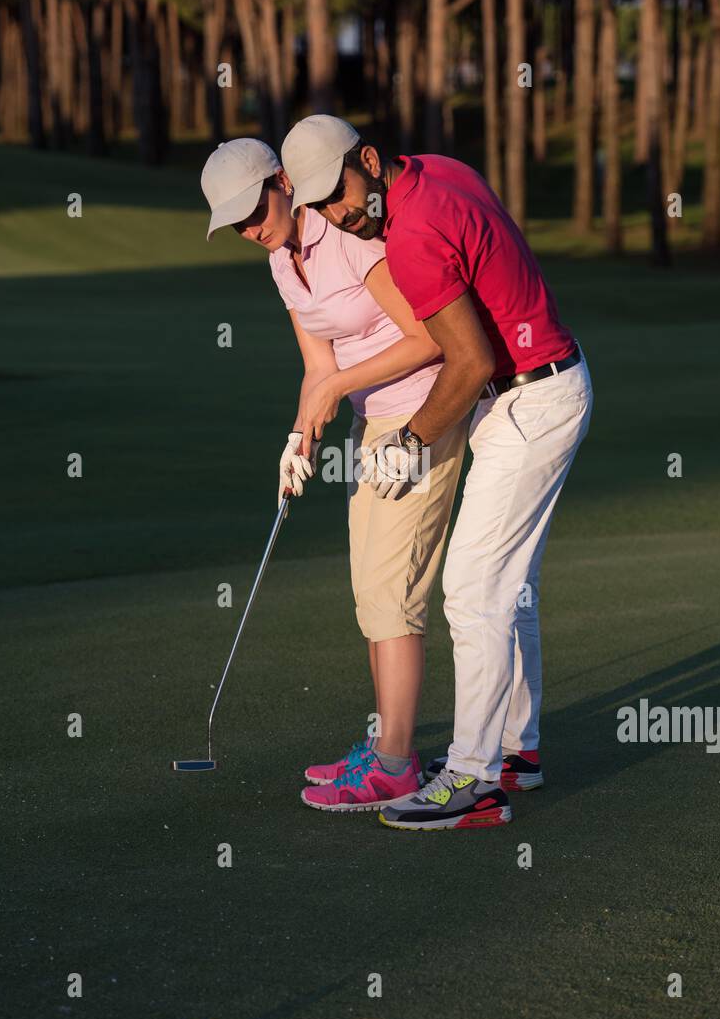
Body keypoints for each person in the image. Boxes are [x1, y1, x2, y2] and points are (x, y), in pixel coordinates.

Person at [283, 115, 593, 831]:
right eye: (323, 205)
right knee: (510, 590)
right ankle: (519, 752)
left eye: (342, 194)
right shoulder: (438, 166)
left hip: (526, 401)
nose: (340, 213)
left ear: (367, 158)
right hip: (542, 384)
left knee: (471, 591)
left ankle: (473, 779)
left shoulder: (412, 238)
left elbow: (469, 360)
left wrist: (411, 440)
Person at [200, 136, 468, 813]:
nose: (251, 228)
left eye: (254, 209)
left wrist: (337, 387)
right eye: (236, 223)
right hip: (367, 425)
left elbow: (429, 337)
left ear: (283, 183)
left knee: (394, 592)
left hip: (420, 420)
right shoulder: (282, 263)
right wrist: (298, 437)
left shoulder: (344, 235)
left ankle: (396, 765)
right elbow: (319, 369)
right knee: (368, 594)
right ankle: (382, 748)